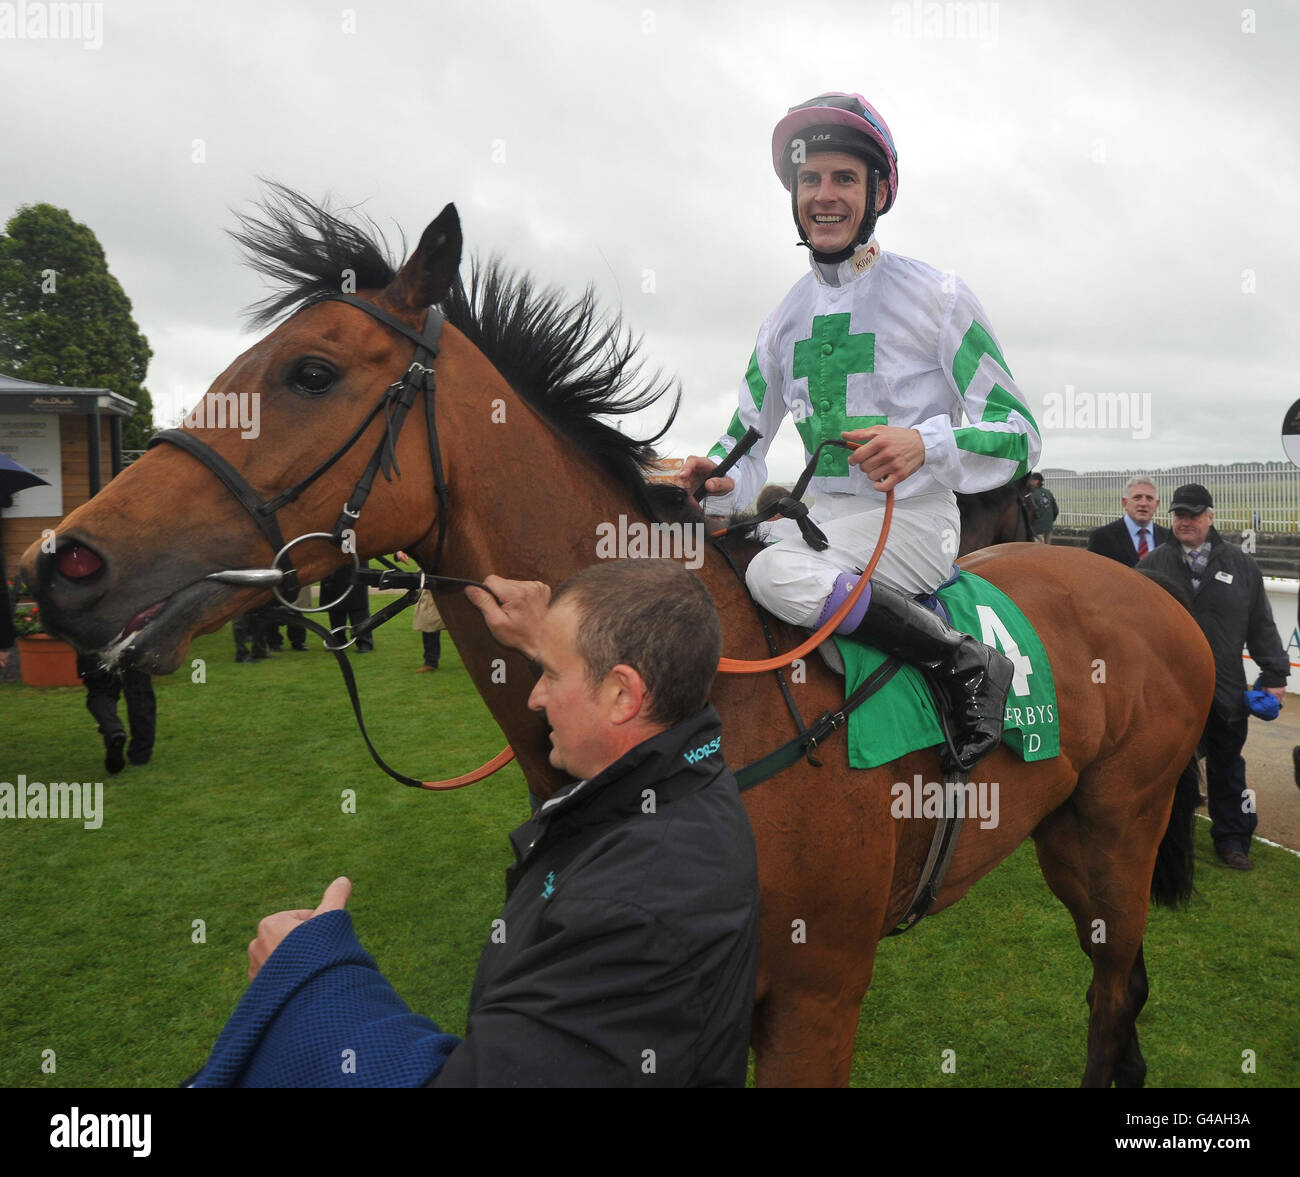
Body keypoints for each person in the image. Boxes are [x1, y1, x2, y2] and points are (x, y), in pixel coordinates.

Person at [187, 559, 760, 1087]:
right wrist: (551, 641)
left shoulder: (636, 905)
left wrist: (311, 975)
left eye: (551, 674)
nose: (535, 697)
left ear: (622, 694)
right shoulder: (678, 780)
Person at [675, 90, 1038, 770]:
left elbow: (1017, 433)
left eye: (844, 177)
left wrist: (924, 443)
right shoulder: (782, 319)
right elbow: (745, 440)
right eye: (810, 179)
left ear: (878, 191)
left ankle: (963, 661)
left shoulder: (940, 297)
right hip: (822, 520)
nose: (825, 195)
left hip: (914, 522)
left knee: (775, 573)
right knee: (713, 565)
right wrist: (717, 479)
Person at [1138, 483, 1288, 871]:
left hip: (1226, 691)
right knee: (1168, 770)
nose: (1184, 522)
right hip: (1169, 693)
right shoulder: (1151, 565)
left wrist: (1274, 673)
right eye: (1178, 515)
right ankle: (1165, 841)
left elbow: (1261, 625)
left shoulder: (1241, 565)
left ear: (1210, 516)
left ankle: (1233, 839)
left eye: (1193, 514)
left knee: (1228, 769)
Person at [77, 652, 157, 773]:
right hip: (132, 642)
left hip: (93, 642)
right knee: (139, 690)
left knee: (100, 691)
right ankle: (141, 752)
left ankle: (114, 729)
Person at [1087, 475, 1171, 565]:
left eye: (1149, 498)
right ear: (1125, 503)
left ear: (1157, 505)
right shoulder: (1102, 537)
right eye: (1137, 497)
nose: (1143, 503)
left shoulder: (1168, 538)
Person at [1024, 473, 1058, 544]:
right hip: (1048, 527)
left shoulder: (1031, 495)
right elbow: (1056, 509)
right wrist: (1050, 521)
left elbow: (1029, 512)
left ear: (1036, 481)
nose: (1029, 482)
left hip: (1037, 528)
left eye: (1031, 480)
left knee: (1039, 550)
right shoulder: (1048, 492)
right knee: (1048, 548)